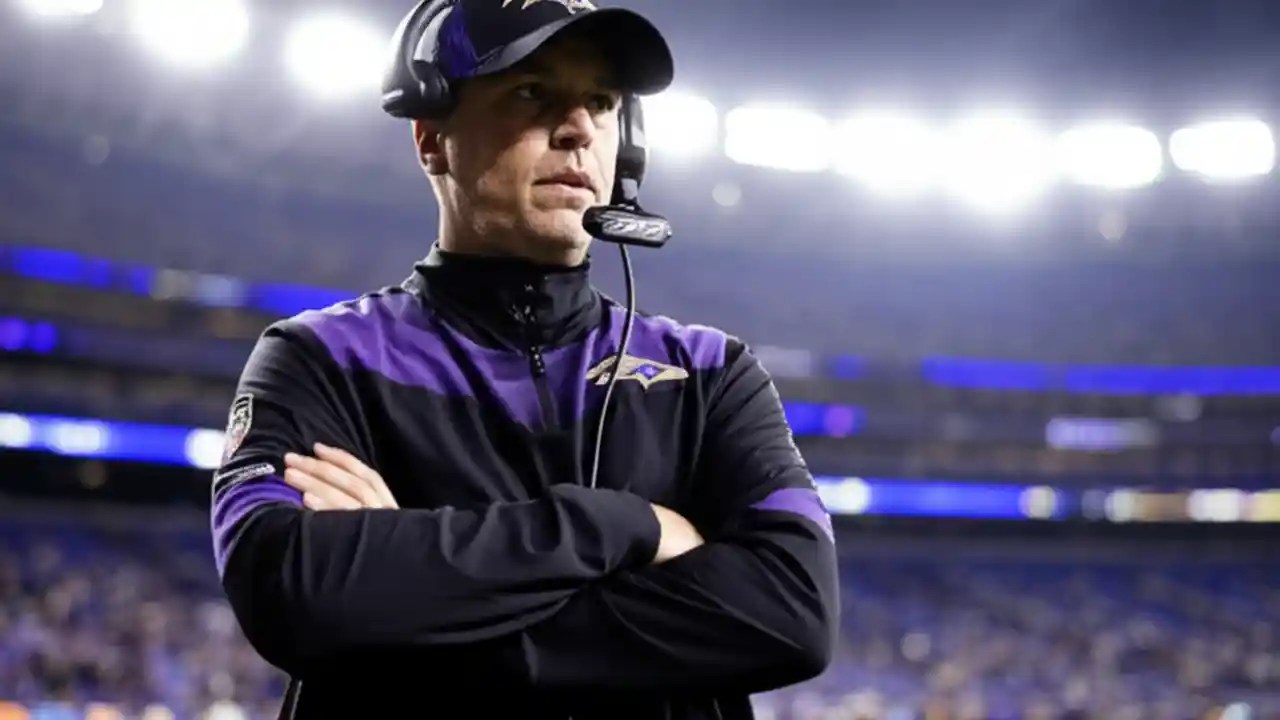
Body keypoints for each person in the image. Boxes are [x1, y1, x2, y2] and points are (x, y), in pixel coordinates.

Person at [209, 0, 840, 717]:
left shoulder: (709, 373)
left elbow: (794, 611)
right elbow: (294, 591)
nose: (578, 130)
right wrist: (630, 527)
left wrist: (410, 627)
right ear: (431, 137)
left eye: (601, 102)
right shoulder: (319, 357)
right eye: (532, 91)